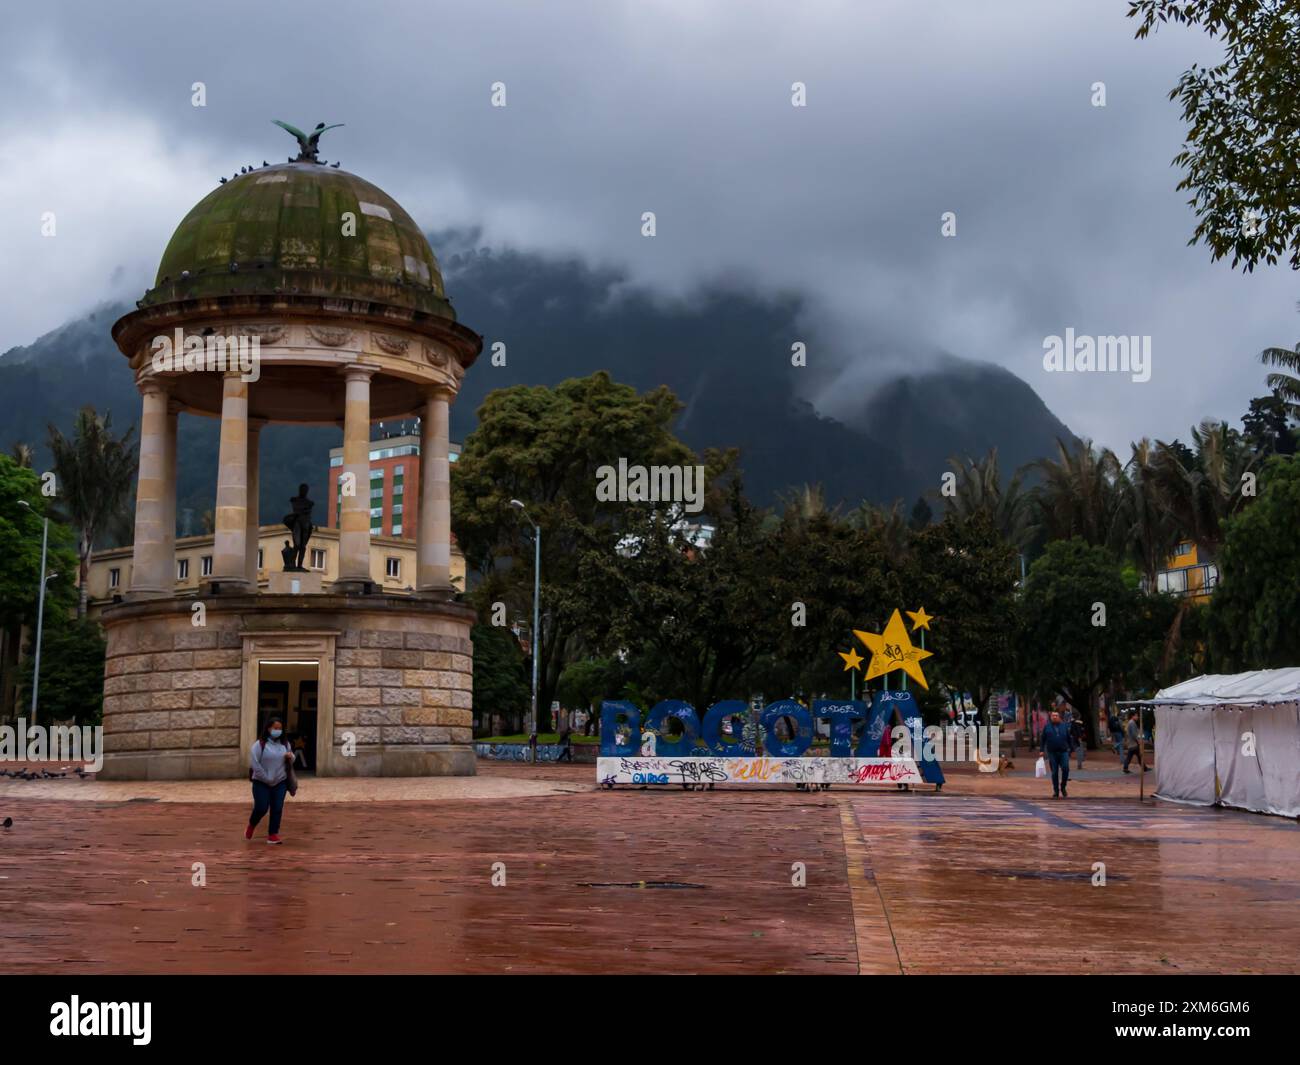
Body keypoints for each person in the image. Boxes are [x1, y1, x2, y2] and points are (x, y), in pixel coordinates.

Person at [247, 716, 294, 844]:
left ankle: (273, 834)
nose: (278, 731)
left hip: (280, 782)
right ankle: (252, 824)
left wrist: (290, 756)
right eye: (275, 728)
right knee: (261, 807)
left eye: (280, 728)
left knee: (277, 808)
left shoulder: (285, 744)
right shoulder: (259, 745)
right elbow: (255, 764)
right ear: (268, 728)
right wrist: (266, 778)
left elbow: (291, 759)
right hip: (261, 782)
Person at [1039, 709, 1075, 799]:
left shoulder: (1064, 726)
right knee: (1054, 772)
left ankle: (1063, 787)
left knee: (1066, 768)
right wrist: (1041, 750)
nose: (1054, 717)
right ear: (1051, 717)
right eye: (1053, 716)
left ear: (1059, 717)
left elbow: (1069, 738)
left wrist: (1072, 749)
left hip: (1063, 751)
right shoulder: (1047, 727)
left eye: (1056, 716)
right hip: (1052, 752)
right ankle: (1056, 791)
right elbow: (1043, 739)